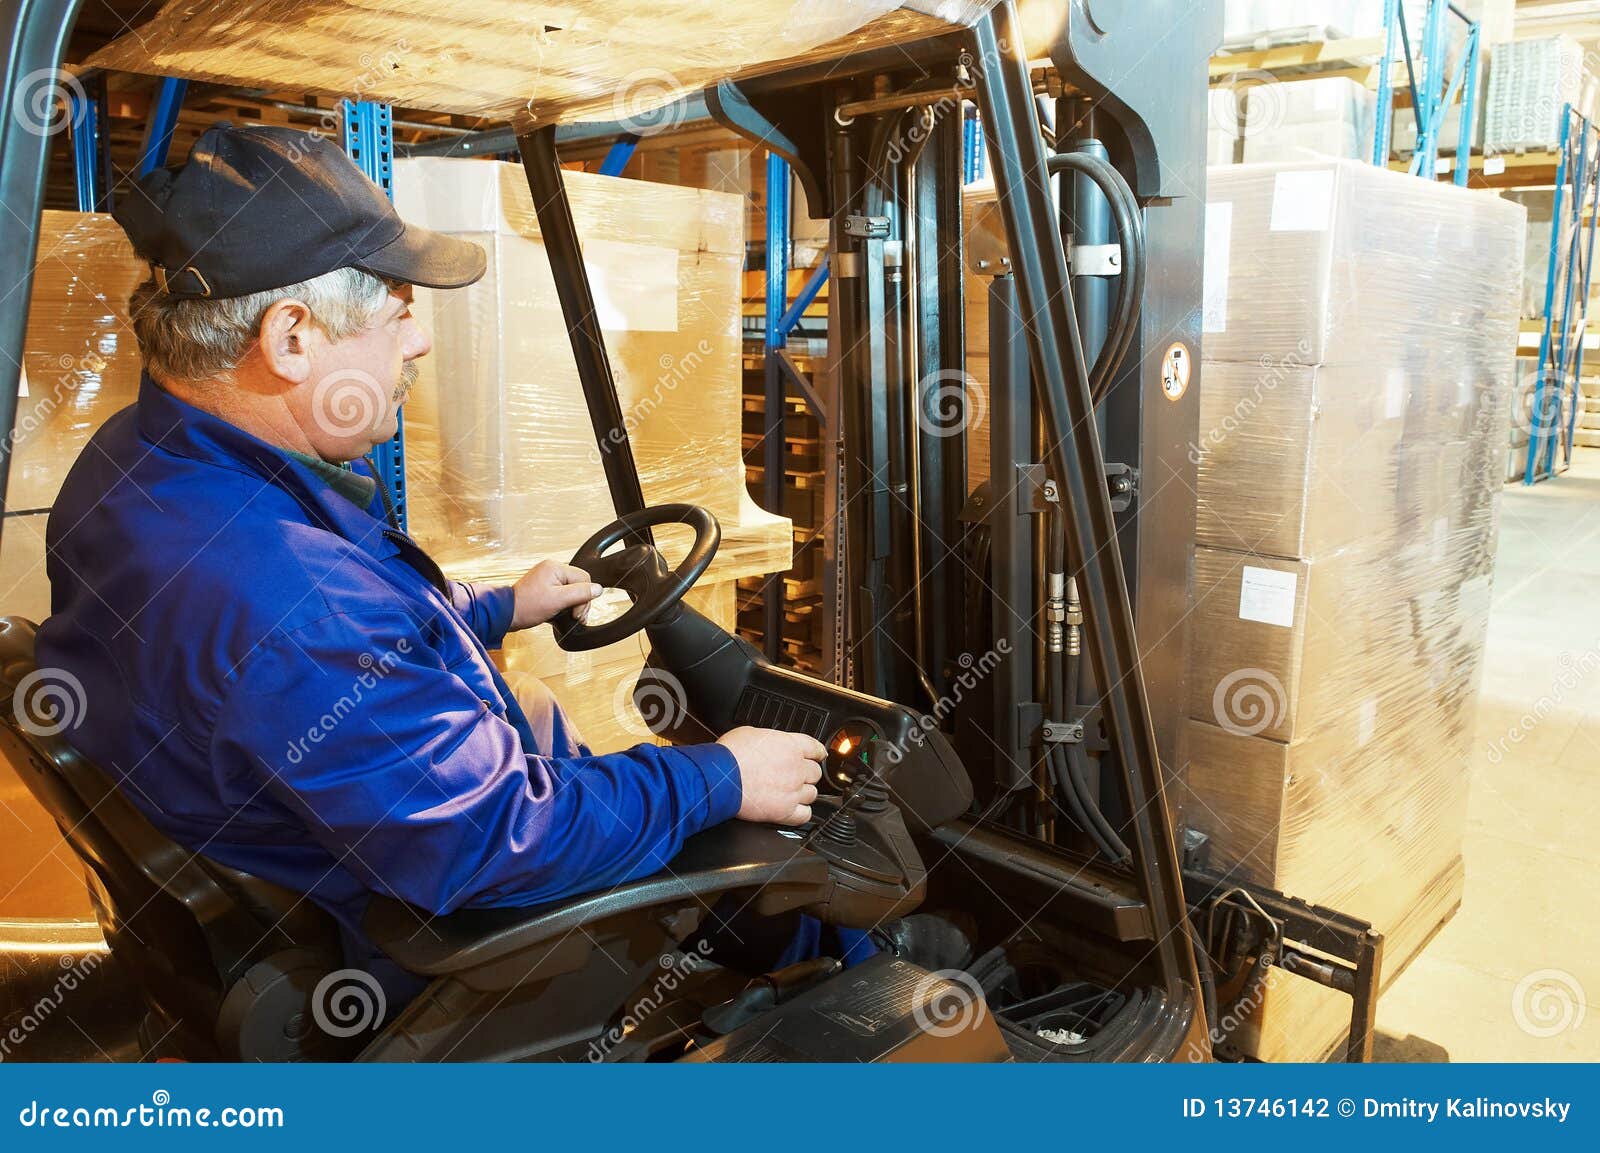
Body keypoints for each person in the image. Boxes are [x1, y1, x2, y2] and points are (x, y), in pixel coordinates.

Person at [35, 123, 824, 1000]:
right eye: (397, 312)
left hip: (312, 862)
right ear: (291, 338)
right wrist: (721, 773)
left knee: (541, 711)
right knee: (802, 893)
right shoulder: (295, 605)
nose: (416, 342)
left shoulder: (138, 464)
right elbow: (493, 841)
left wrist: (495, 607)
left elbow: (329, 628)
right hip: (444, 956)